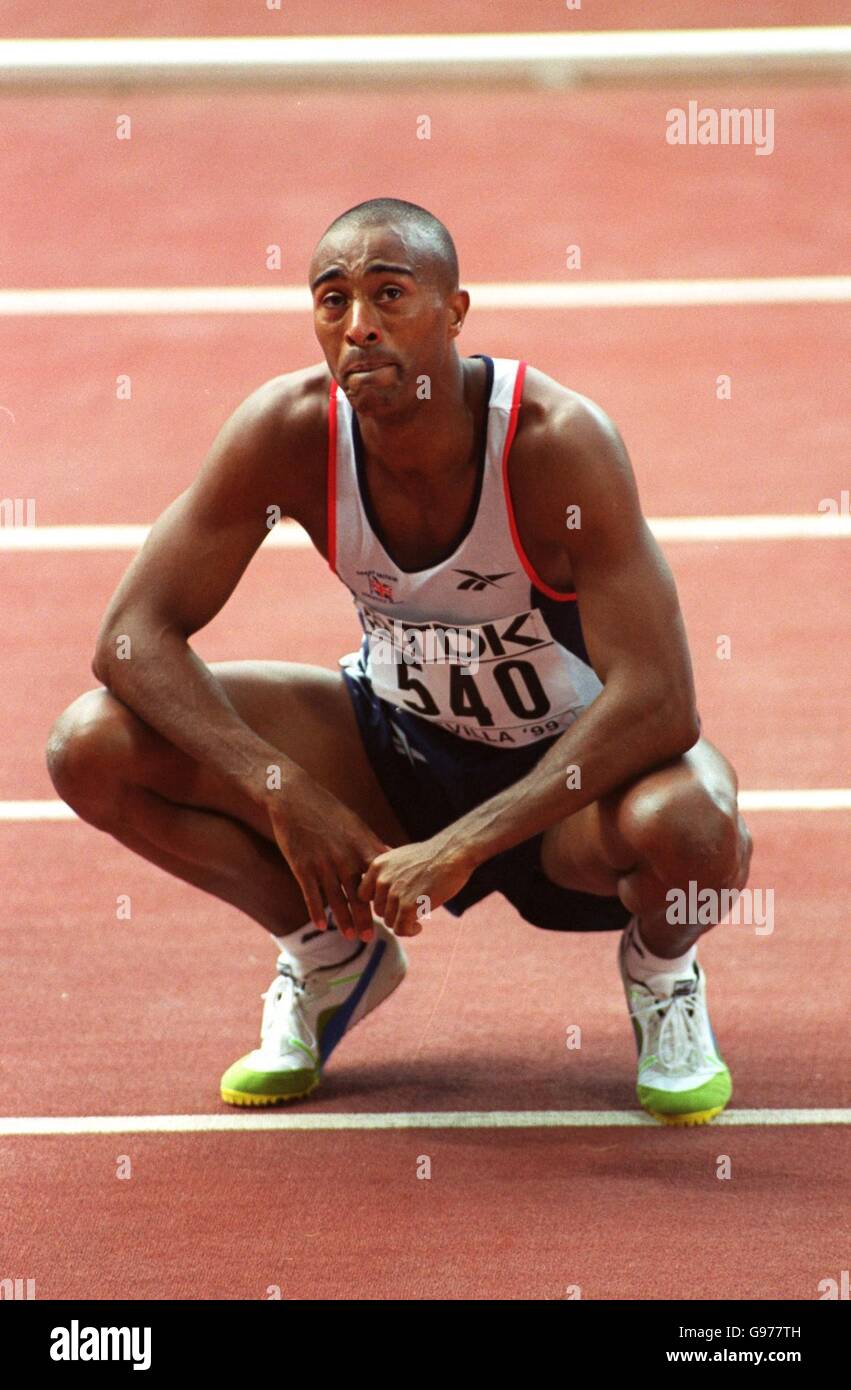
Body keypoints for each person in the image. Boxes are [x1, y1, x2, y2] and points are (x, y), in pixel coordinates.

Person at [47, 197, 752, 1125]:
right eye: (331, 299)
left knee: (696, 827)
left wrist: (463, 845)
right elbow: (130, 638)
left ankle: (663, 975)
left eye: (388, 294)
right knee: (90, 746)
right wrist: (286, 794)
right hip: (396, 747)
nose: (359, 326)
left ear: (454, 312)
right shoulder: (290, 430)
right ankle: (333, 955)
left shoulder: (554, 442)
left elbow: (661, 702)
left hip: (568, 782)